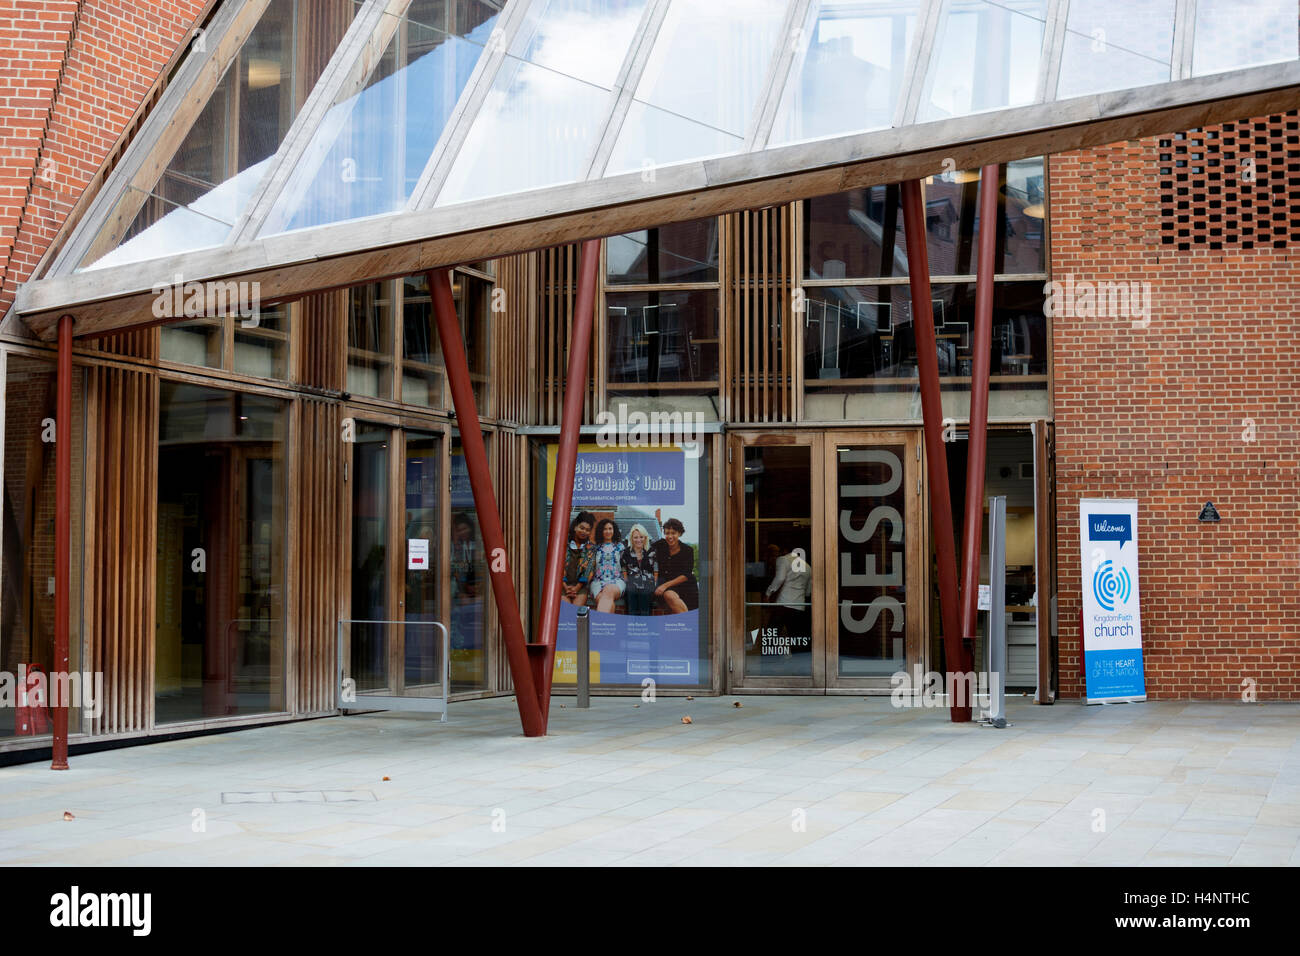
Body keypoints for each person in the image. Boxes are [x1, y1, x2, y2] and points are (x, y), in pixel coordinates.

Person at [651, 510, 698, 613]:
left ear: (679, 533)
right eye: (667, 533)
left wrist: (664, 586)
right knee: (669, 595)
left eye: (673, 533)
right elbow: (645, 547)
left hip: (685, 585)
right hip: (667, 585)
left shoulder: (687, 550)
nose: (670, 536)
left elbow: (686, 575)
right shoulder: (660, 545)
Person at [766, 544, 811, 637]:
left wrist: (768, 593)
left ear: (785, 551)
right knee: (795, 637)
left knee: (771, 636)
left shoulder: (783, 559)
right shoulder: (808, 567)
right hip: (799, 606)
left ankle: (771, 652)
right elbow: (808, 592)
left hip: (783, 604)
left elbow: (780, 579)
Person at [590, 517, 626, 614]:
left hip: (616, 581)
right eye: (605, 529)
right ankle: (607, 627)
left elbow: (625, 567)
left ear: (614, 530)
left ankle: (599, 626)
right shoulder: (594, 548)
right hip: (597, 582)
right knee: (607, 602)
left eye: (610, 528)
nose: (608, 531)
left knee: (608, 590)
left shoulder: (620, 547)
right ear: (601, 531)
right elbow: (589, 569)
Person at [621, 523, 658, 616]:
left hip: (648, 584)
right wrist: (626, 581)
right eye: (635, 537)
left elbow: (656, 571)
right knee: (631, 603)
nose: (638, 540)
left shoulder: (652, 552)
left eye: (641, 537)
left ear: (645, 538)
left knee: (645, 597)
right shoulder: (626, 553)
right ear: (631, 539)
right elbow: (624, 569)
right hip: (632, 584)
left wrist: (655, 584)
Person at [561, 510, 596, 606]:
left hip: (580, 587)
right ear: (575, 526)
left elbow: (588, 570)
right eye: (582, 528)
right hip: (562, 586)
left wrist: (576, 588)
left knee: (575, 613)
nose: (584, 532)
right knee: (567, 610)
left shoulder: (591, 548)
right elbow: (558, 567)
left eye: (587, 530)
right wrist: (565, 587)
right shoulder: (563, 544)